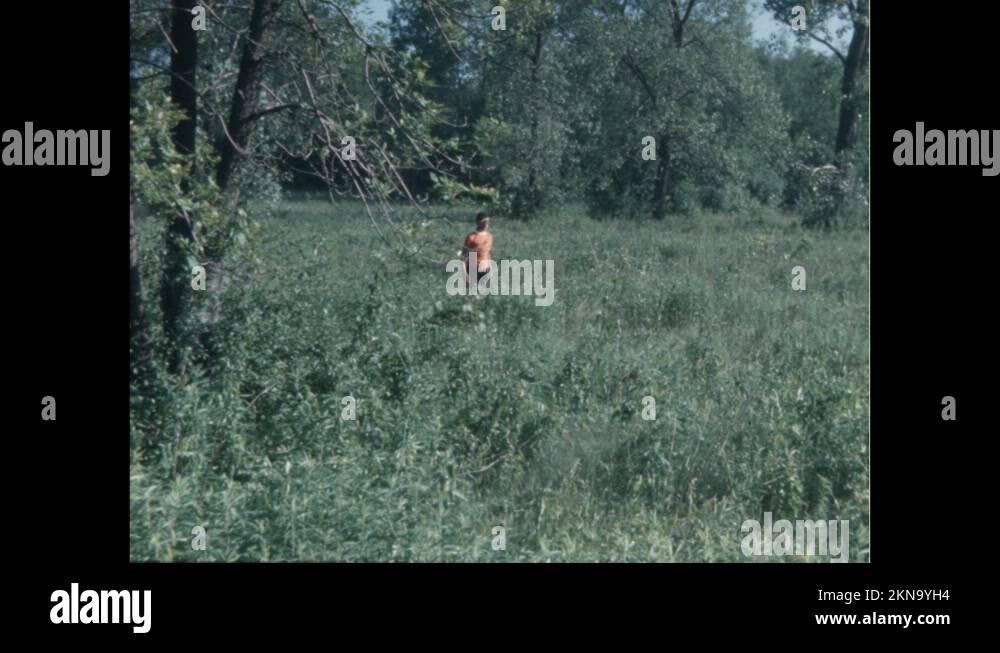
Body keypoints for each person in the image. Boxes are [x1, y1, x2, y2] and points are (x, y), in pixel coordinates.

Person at [462, 211, 494, 287]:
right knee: (472, 292)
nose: (486, 225)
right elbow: (463, 258)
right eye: (484, 222)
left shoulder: (490, 236)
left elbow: (488, 253)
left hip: (485, 269)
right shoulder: (471, 237)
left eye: (487, 222)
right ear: (478, 222)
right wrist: (465, 275)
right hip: (473, 268)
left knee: (483, 293)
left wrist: (491, 268)